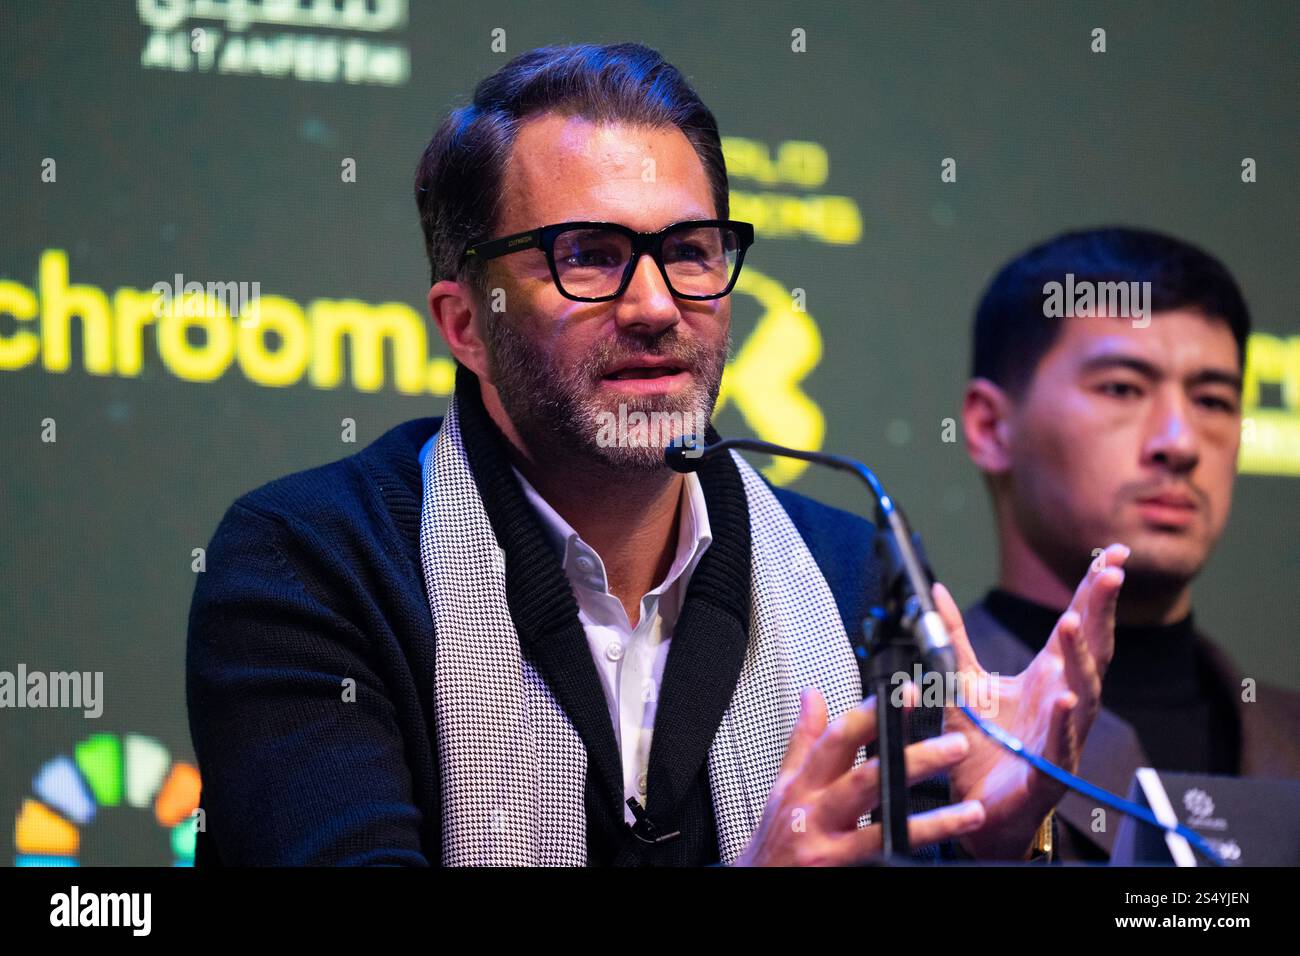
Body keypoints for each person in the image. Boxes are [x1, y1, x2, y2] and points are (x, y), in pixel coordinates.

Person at [186, 42, 1125, 866]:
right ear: (466, 323)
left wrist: (988, 842)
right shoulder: (308, 564)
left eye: (689, 250)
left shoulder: (848, 575)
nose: (655, 306)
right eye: (587, 255)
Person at [960, 227, 1300, 862]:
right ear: (989, 428)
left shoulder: (1286, 737)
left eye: (1213, 399)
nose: (1181, 441)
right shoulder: (906, 726)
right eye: (1122, 388)